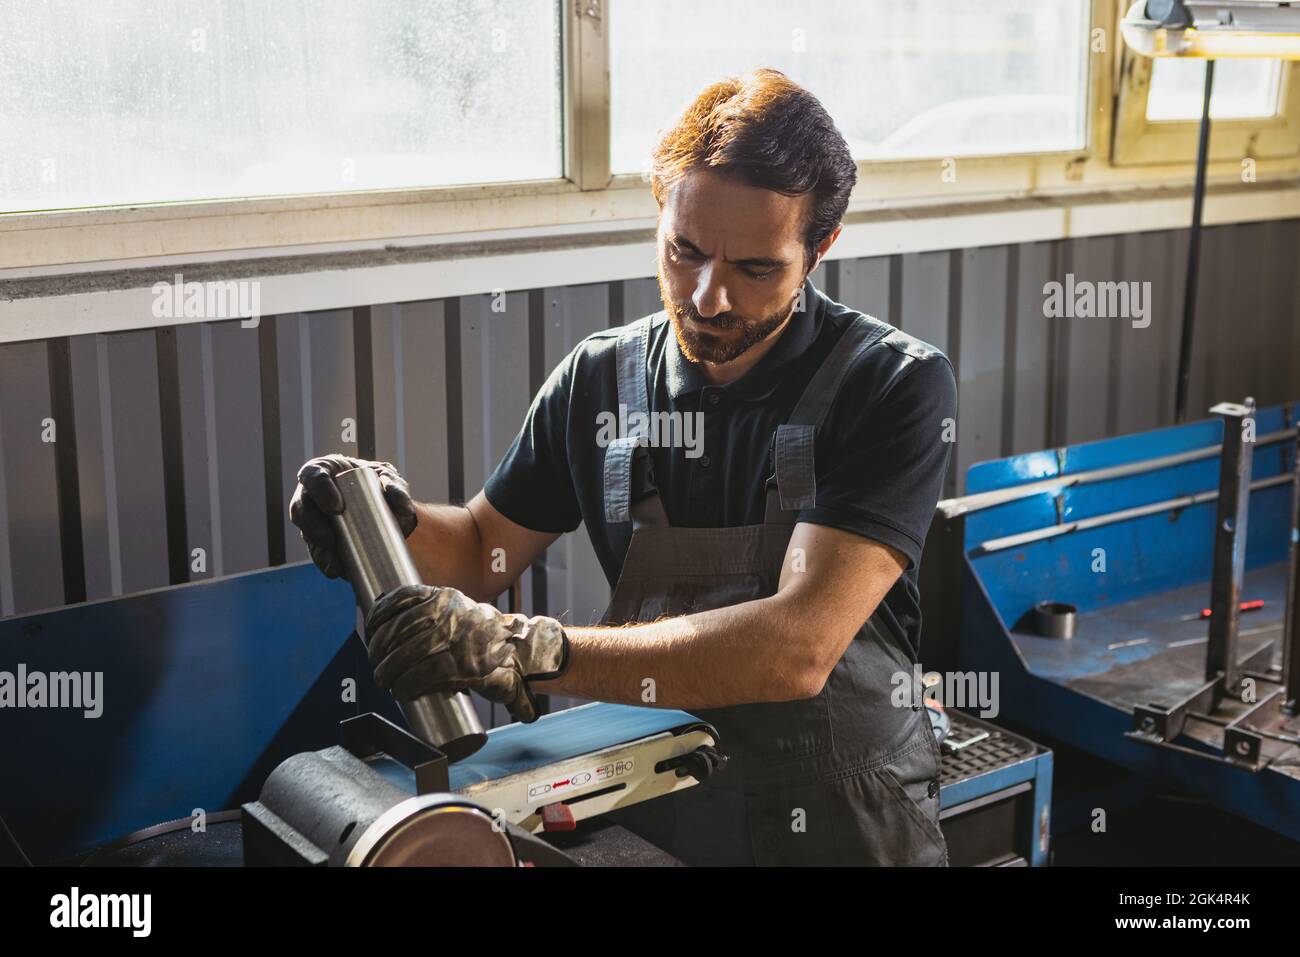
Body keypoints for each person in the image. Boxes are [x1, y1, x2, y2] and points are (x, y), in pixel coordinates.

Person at [291, 68, 956, 866]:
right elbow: (476, 552)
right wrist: (384, 526)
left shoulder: (892, 384)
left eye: (755, 269)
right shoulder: (600, 381)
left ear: (819, 249)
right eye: (685, 251)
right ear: (659, 209)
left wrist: (532, 649)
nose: (709, 297)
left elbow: (797, 646)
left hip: (847, 813)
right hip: (666, 798)